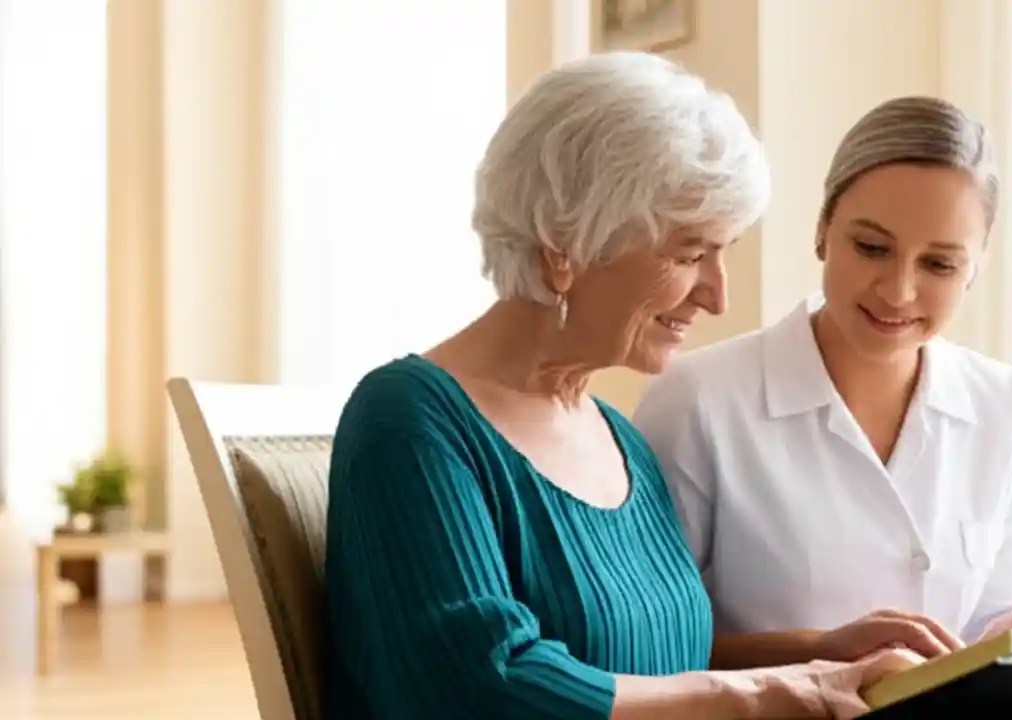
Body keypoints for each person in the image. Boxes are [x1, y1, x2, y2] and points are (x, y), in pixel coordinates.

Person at [324, 54, 945, 720]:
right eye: (689, 254)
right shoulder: (409, 421)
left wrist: (820, 656)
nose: (716, 293)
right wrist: (772, 695)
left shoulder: (619, 438)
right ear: (565, 244)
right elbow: (481, 685)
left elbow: (656, 669)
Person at [631, 96, 1012, 668]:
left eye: (940, 265)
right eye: (872, 248)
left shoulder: (1004, 405)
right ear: (823, 230)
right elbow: (640, 652)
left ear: (975, 268)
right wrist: (819, 655)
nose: (899, 291)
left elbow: (978, 643)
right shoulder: (699, 402)